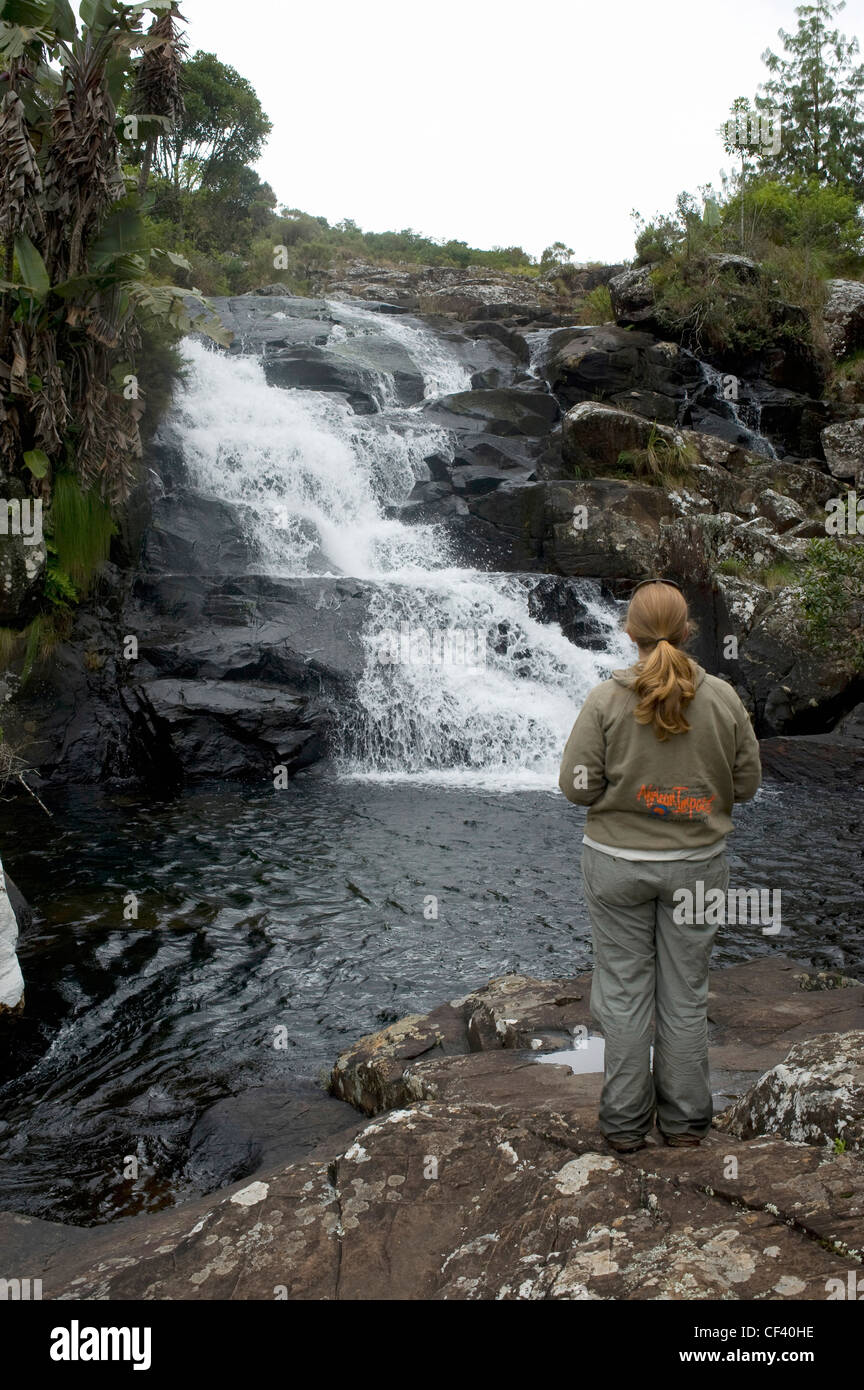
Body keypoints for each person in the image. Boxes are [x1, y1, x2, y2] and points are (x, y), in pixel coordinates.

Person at [558, 579, 762, 1153]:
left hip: (616, 866)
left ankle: (624, 1128)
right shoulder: (721, 697)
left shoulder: (605, 698)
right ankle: (685, 1126)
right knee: (686, 994)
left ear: (630, 632)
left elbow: (576, 786)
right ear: (688, 629)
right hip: (697, 867)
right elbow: (746, 784)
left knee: (623, 995)